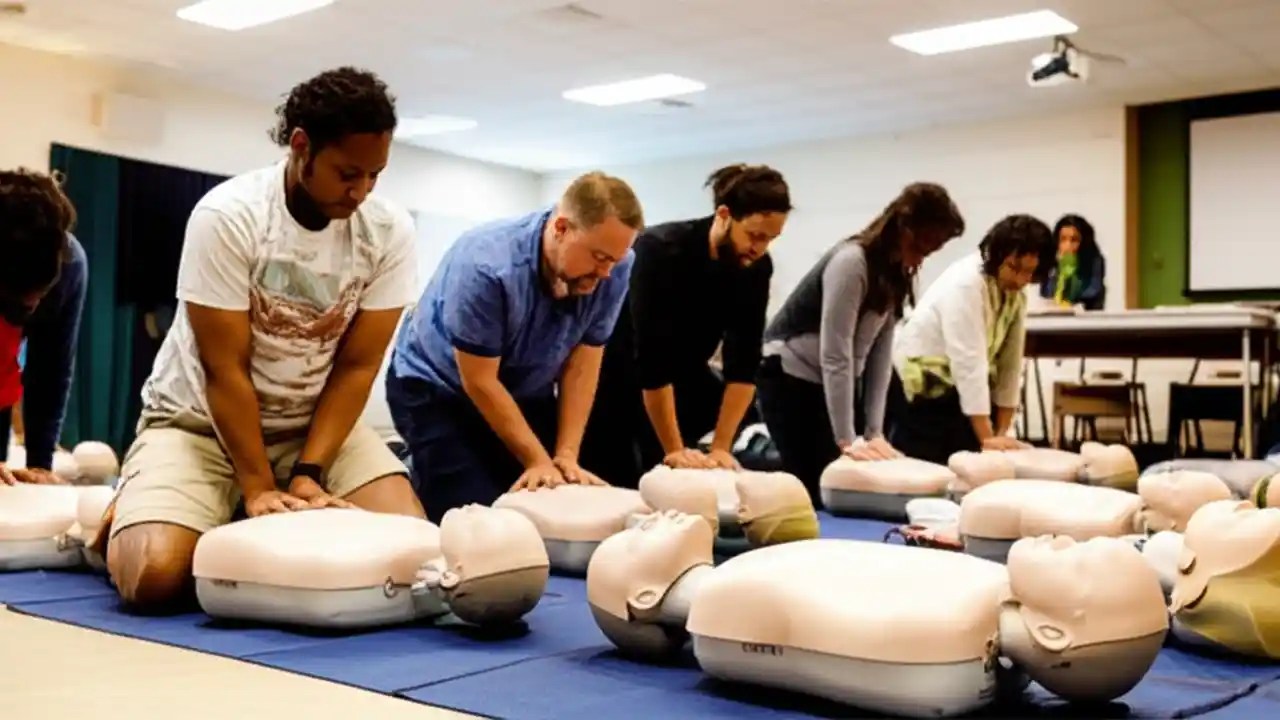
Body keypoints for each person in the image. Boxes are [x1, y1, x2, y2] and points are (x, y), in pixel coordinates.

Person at [100, 67, 423, 611]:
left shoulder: (389, 232)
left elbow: (357, 368)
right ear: (302, 146)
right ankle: (124, 514)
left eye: (375, 176)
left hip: (312, 429)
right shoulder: (230, 215)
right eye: (348, 173)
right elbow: (223, 368)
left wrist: (308, 474)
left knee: (410, 553)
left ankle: (229, 510)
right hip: (197, 425)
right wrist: (256, 487)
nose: (362, 192)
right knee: (156, 579)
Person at [385, 173, 644, 523]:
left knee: (547, 494)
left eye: (615, 259)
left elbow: (584, 358)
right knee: (475, 512)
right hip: (439, 387)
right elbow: (479, 380)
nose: (607, 273)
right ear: (562, 228)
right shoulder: (488, 264)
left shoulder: (615, 265)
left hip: (524, 386)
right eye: (599, 257)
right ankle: (417, 466)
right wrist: (537, 459)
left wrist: (565, 455)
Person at [580, 164, 791, 488]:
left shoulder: (756, 268)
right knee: (620, 482)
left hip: (682, 378)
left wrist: (721, 447)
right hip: (617, 376)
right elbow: (651, 359)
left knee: (680, 484)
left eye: (770, 239)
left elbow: (744, 363)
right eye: (754, 235)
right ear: (724, 214)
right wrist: (674, 450)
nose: (759, 248)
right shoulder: (659, 249)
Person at [757, 183, 964, 503]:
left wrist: (873, 431)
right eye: (922, 248)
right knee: (817, 484)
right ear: (904, 227)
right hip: (787, 378)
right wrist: (846, 438)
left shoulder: (896, 273)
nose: (921, 259)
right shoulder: (851, 262)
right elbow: (835, 354)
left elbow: (879, 356)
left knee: (851, 472)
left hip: (827, 378)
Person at [890, 214, 1055, 465]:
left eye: (1029, 272)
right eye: (1014, 267)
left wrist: (1002, 433)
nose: (1021, 280)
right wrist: (988, 440)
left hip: (958, 389)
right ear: (996, 255)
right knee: (931, 472)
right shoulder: (967, 284)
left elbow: (1010, 364)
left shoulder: (1015, 295)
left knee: (973, 462)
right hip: (922, 386)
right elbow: (969, 361)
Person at [0, 169, 86, 486]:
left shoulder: (70, 265)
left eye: (39, 296)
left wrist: (40, 465)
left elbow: (50, 372)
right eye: (24, 299)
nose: (32, 306)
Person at [1039, 214, 1105, 310]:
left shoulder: (1094, 260)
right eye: (1063, 239)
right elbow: (1047, 294)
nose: (1067, 246)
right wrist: (1057, 271)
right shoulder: (1051, 262)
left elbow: (1091, 292)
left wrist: (1069, 274)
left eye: (1074, 240)